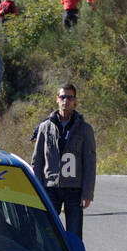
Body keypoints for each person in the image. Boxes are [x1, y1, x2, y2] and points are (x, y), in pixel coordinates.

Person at [31, 83, 96, 237]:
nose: (65, 100)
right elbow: (37, 160)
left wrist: (87, 193)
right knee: (46, 233)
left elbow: (89, 162)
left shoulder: (85, 129)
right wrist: (37, 189)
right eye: (62, 97)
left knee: (74, 234)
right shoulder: (45, 127)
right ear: (57, 99)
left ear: (75, 101)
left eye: (69, 97)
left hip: (74, 189)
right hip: (49, 187)